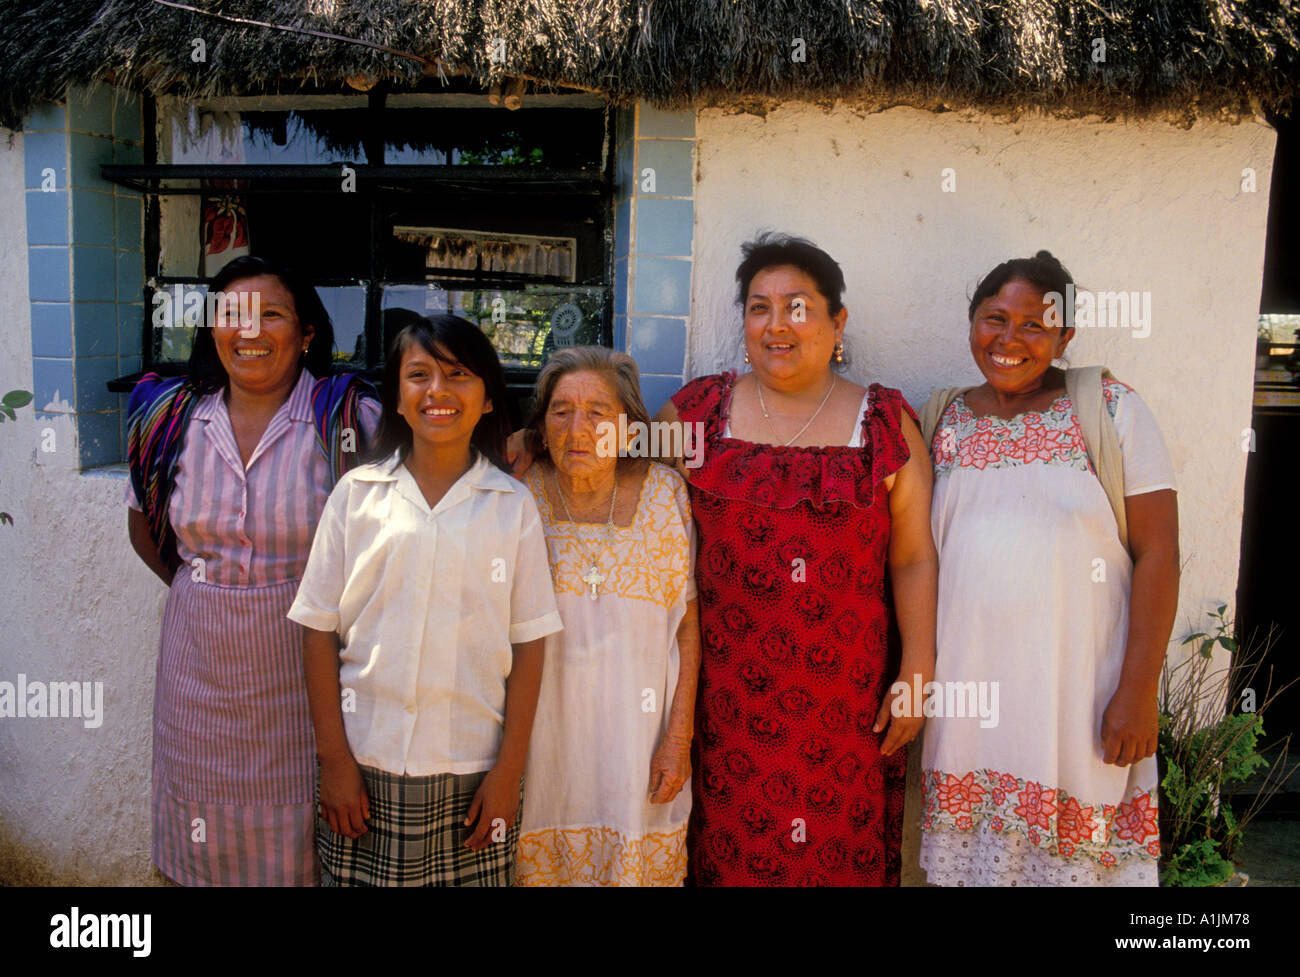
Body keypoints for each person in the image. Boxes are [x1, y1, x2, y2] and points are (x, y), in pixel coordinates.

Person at [652, 233, 938, 886]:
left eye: (798, 307)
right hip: (725, 708)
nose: (776, 324)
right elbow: (625, 491)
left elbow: (914, 558)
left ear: (838, 322)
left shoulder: (884, 424)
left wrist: (917, 673)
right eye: (760, 307)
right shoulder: (699, 414)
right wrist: (538, 445)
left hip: (847, 709)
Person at [915, 250, 1179, 886]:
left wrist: (1138, 693)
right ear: (972, 322)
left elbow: (1160, 555)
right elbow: (914, 560)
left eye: (1034, 325)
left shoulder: (1110, 410)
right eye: (994, 318)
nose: (1009, 340)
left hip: (1081, 700)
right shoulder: (941, 421)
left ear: (1065, 337)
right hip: (968, 702)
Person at [126, 255, 379, 886]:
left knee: (302, 826)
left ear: (307, 333)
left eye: (271, 314)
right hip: (196, 663)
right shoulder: (172, 421)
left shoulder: (348, 421)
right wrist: (214, 591)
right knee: (201, 830)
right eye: (233, 314)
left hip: (310, 663)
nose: (249, 331)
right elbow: (144, 530)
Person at [289, 314, 563, 886]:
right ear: (396, 396)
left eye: (458, 374)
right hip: (365, 762)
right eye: (418, 375)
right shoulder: (356, 497)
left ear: (489, 398)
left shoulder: (511, 506)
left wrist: (509, 772)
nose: (438, 391)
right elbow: (317, 629)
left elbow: (530, 644)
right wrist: (334, 761)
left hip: (472, 768)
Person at [513, 346, 701, 886]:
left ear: (629, 426)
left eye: (598, 412)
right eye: (561, 411)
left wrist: (678, 739)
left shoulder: (667, 496)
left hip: (639, 748)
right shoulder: (519, 495)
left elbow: (687, 627)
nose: (578, 429)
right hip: (542, 749)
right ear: (541, 425)